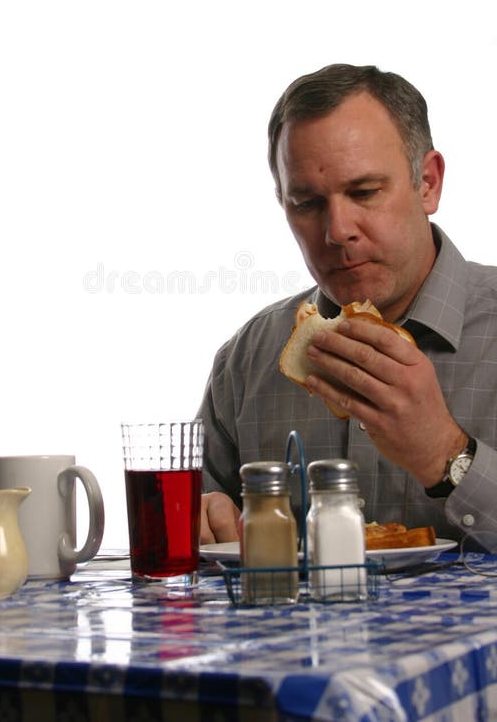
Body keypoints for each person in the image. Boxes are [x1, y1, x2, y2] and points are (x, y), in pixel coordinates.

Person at [198, 63, 497, 552]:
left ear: (428, 183)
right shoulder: (246, 361)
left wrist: (448, 456)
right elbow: (202, 520)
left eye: (364, 192)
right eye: (307, 203)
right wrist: (206, 515)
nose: (338, 230)